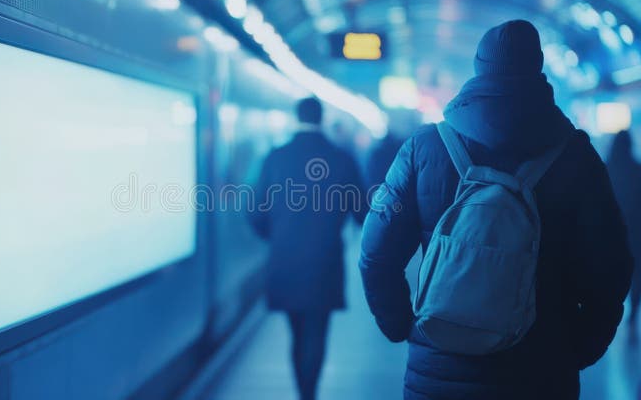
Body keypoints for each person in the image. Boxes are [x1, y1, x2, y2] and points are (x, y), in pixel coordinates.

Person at [359, 20, 634, 399]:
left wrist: (401, 324)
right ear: (538, 68)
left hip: (439, 369)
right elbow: (612, 267)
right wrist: (579, 349)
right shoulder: (576, 156)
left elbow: (376, 253)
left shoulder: (424, 148)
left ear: (478, 68)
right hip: (541, 373)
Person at [248, 97, 368, 400]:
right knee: (317, 330)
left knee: (296, 330)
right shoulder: (341, 158)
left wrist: (274, 237)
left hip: (285, 258)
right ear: (322, 118)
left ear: (296, 116)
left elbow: (254, 210)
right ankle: (308, 393)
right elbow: (362, 213)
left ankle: (302, 391)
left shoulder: (275, 158)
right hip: (324, 260)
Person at [606, 130, 641, 340]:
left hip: (611, 231)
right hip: (635, 231)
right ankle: (633, 316)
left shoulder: (606, 169)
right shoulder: (637, 170)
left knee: (610, 273)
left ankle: (610, 313)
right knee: (637, 275)